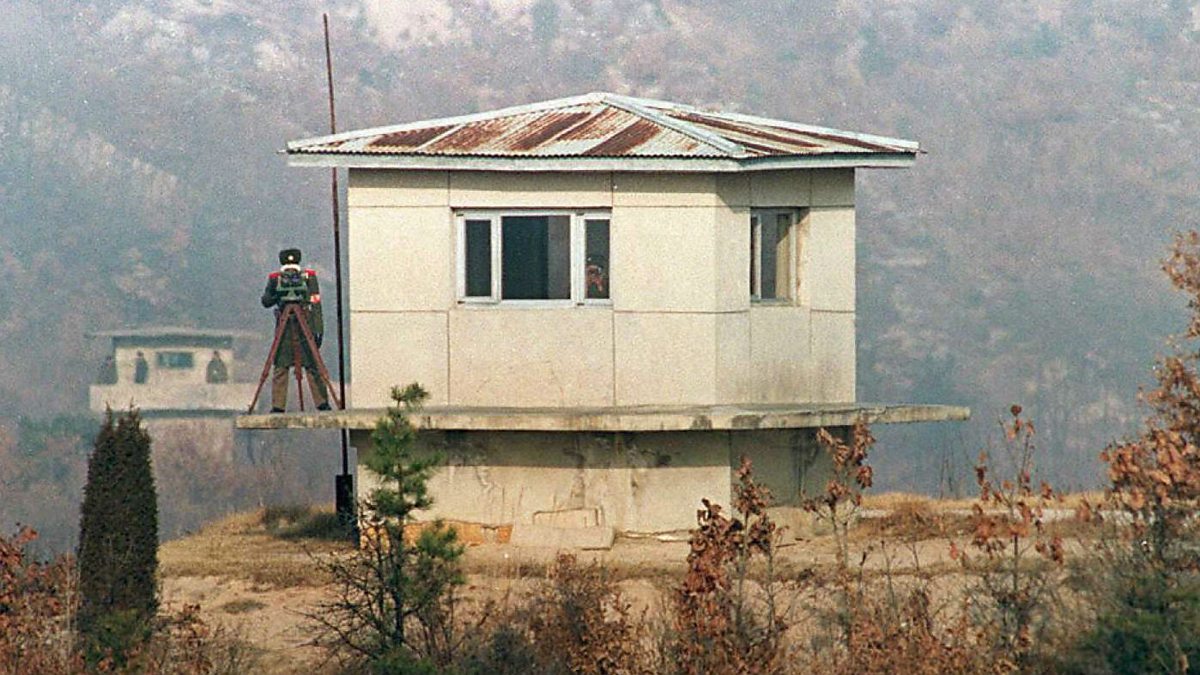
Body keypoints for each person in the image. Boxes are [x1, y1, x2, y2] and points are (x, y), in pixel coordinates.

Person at [261, 248, 330, 412]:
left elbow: (315, 304)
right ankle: (278, 405)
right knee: (281, 365)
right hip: (286, 327)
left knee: (312, 364)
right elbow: (266, 301)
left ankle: (322, 402)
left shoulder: (309, 278)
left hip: (304, 325)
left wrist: (317, 330)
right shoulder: (275, 279)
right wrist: (276, 294)